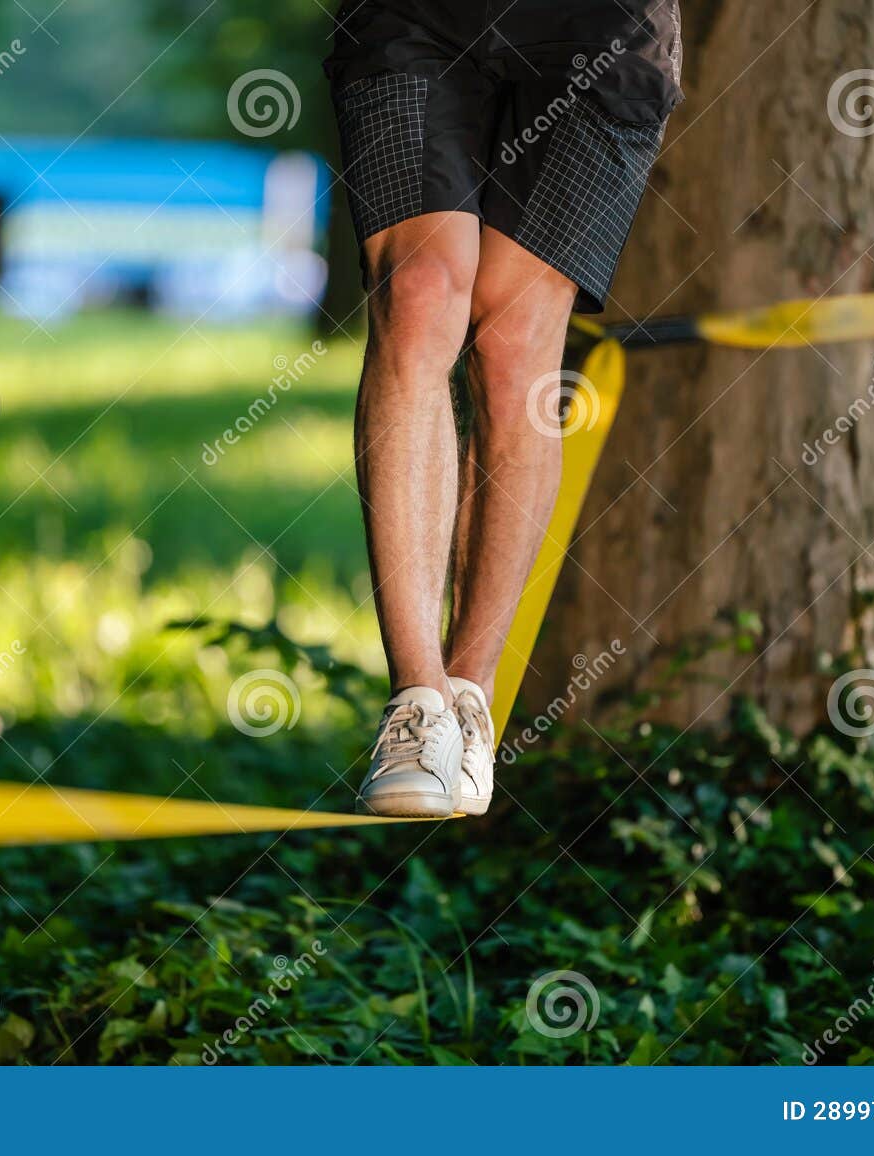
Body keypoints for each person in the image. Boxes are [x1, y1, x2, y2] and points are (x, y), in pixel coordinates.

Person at [325, 0, 682, 817]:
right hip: (414, 14)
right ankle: (416, 705)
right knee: (417, 293)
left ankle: (469, 697)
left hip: (602, 25)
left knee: (516, 343)